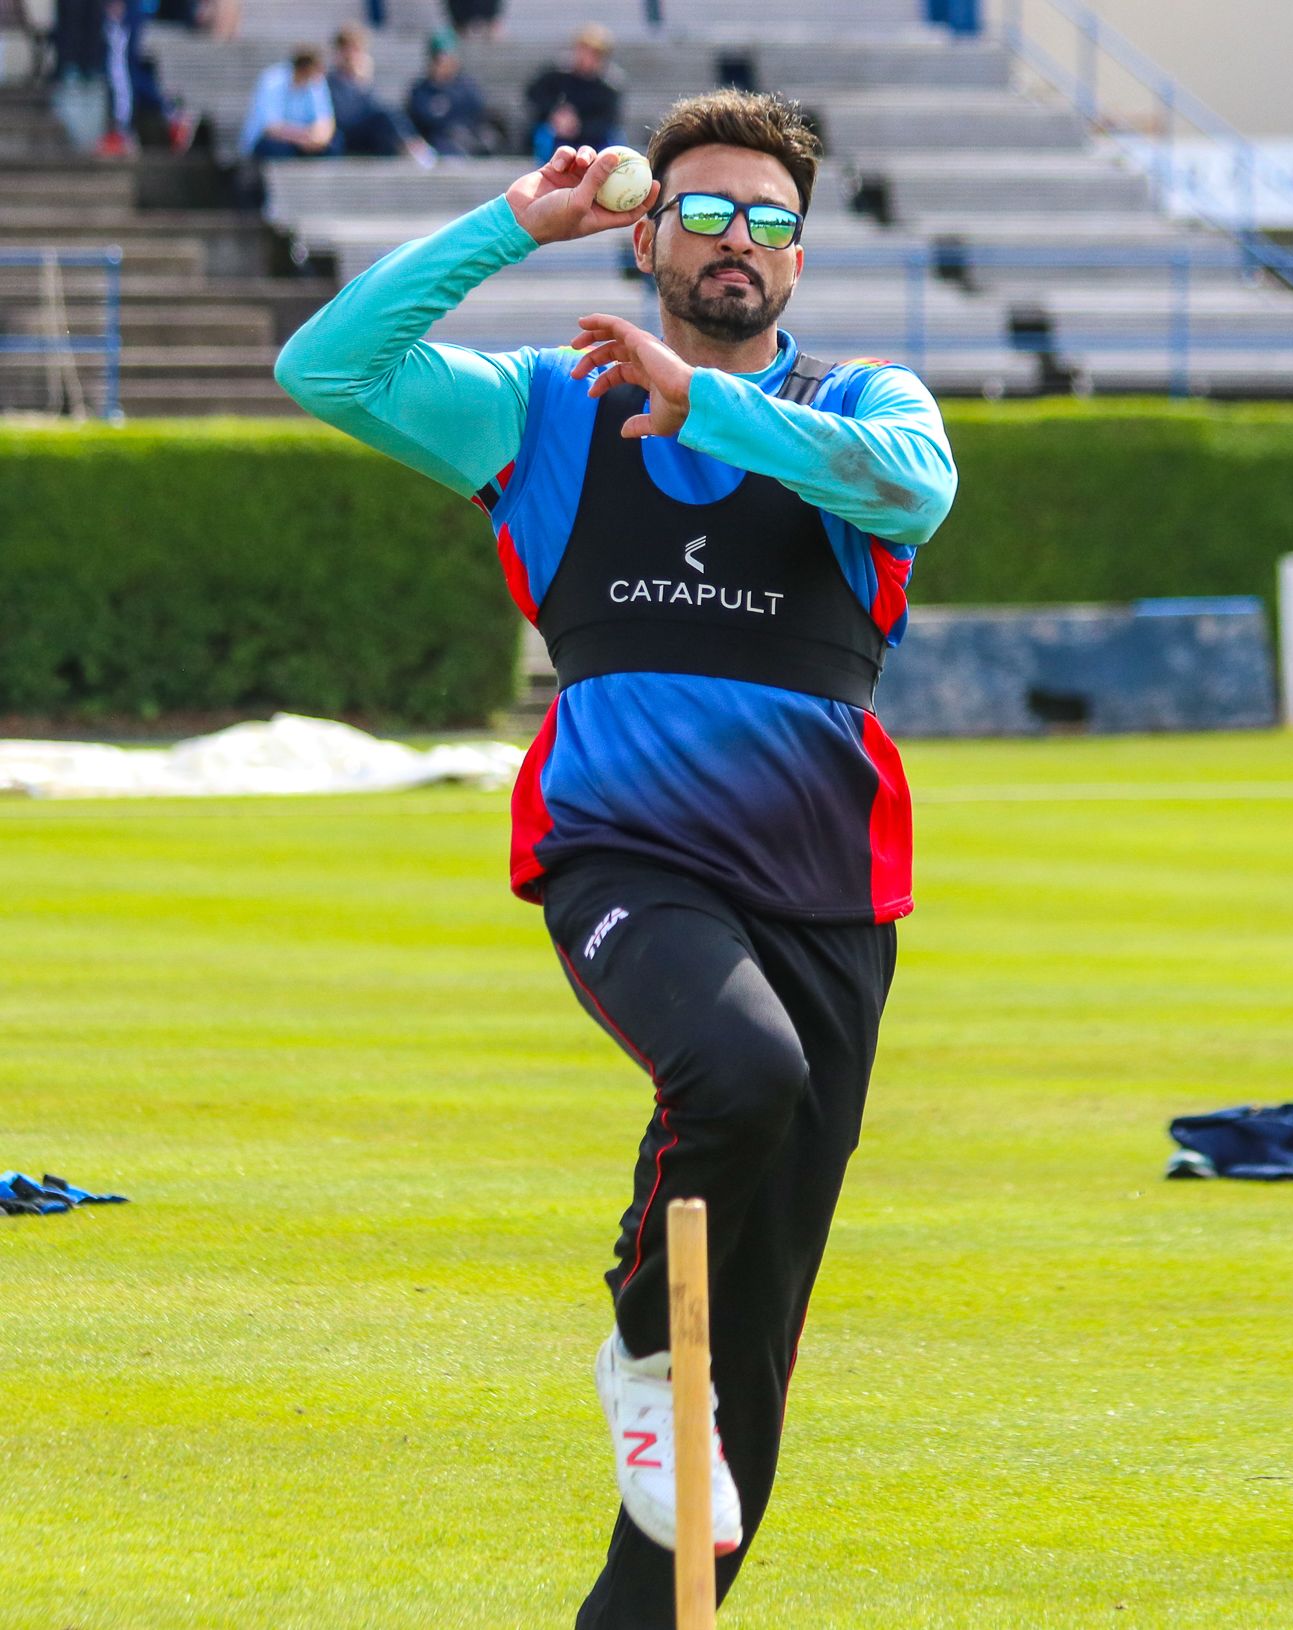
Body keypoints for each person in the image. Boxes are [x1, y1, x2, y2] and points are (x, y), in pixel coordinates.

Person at [275, 89, 956, 1628]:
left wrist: (701, 402)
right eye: (705, 208)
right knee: (735, 1070)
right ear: (648, 227)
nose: (737, 239)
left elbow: (918, 490)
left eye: (769, 219)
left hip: (831, 891)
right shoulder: (541, 407)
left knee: (754, 1357)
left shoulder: (867, 402)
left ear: (798, 254)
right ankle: (642, 1342)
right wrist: (514, 224)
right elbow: (327, 366)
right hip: (623, 852)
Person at [328, 24, 434, 163]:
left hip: (368, 134)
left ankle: (413, 145)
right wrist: (361, 85)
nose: (353, 56)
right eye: (349, 50)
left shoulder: (361, 79)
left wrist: (363, 82)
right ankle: (414, 148)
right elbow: (344, 115)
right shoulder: (330, 81)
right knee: (385, 116)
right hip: (346, 134)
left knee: (391, 115)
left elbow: (373, 106)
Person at [523, 22, 622, 164]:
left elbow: (608, 119)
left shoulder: (610, 86)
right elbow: (533, 95)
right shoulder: (557, 74)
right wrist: (555, 114)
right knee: (544, 135)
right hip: (557, 133)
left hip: (592, 137)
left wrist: (578, 126)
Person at [239, 45, 337, 159]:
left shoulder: (316, 80)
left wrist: (319, 139)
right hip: (270, 140)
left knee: (334, 144)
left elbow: (326, 120)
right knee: (278, 150)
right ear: (303, 69)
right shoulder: (273, 80)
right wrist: (303, 138)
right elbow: (271, 128)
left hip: (304, 139)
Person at [406, 28, 491, 156]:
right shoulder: (421, 91)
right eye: (440, 61)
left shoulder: (467, 87)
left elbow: (478, 112)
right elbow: (423, 119)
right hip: (438, 143)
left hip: (468, 139)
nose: (445, 65)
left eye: (449, 60)